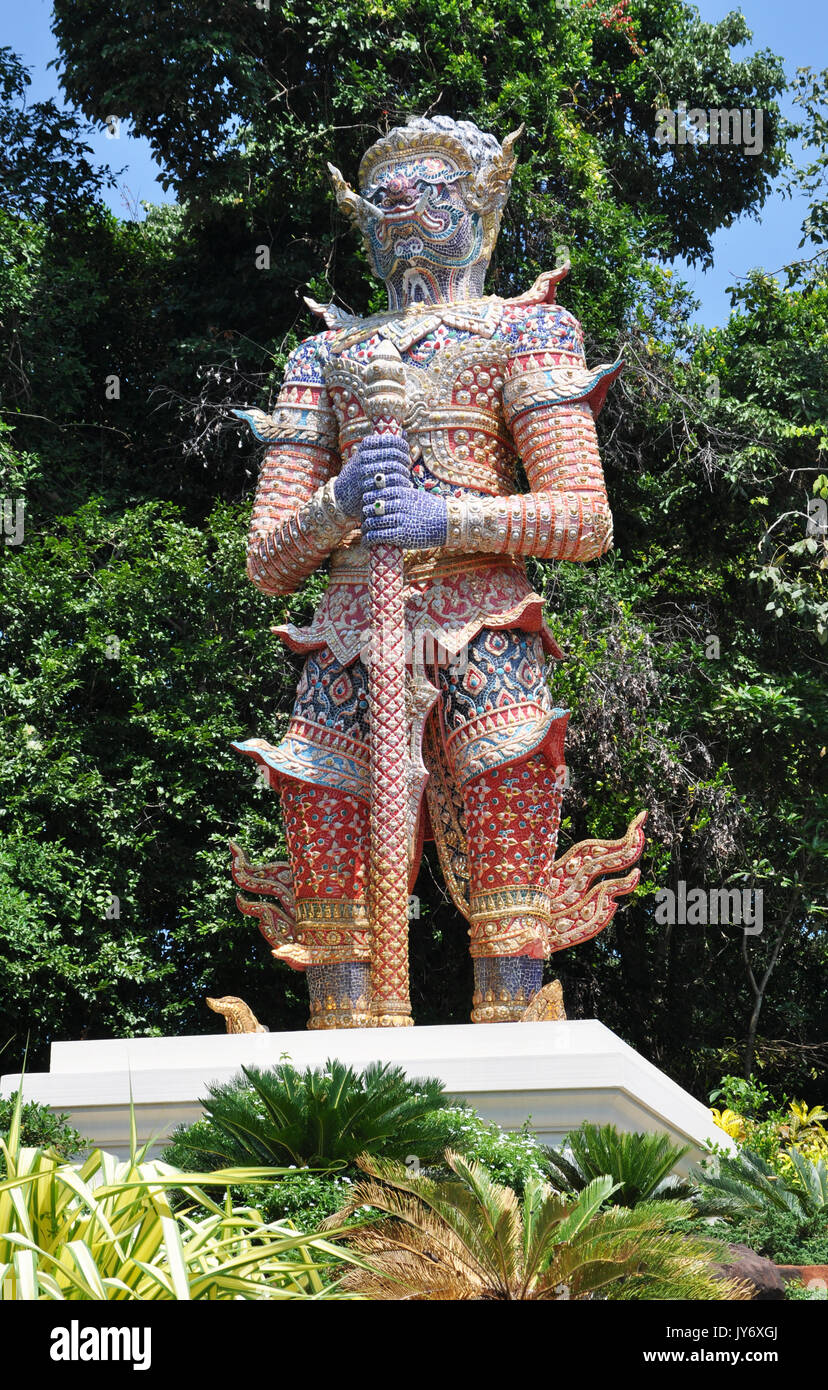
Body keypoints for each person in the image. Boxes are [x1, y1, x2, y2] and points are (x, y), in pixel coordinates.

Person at [231, 116, 645, 1028]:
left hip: (483, 622)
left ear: (482, 204)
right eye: (381, 193)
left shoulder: (525, 329)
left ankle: (512, 1054)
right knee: (329, 854)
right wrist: (340, 504)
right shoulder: (325, 356)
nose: (398, 201)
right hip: (347, 633)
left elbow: (585, 517)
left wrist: (445, 516)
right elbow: (267, 560)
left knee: (507, 846)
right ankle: (340, 1064)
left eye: (428, 184)